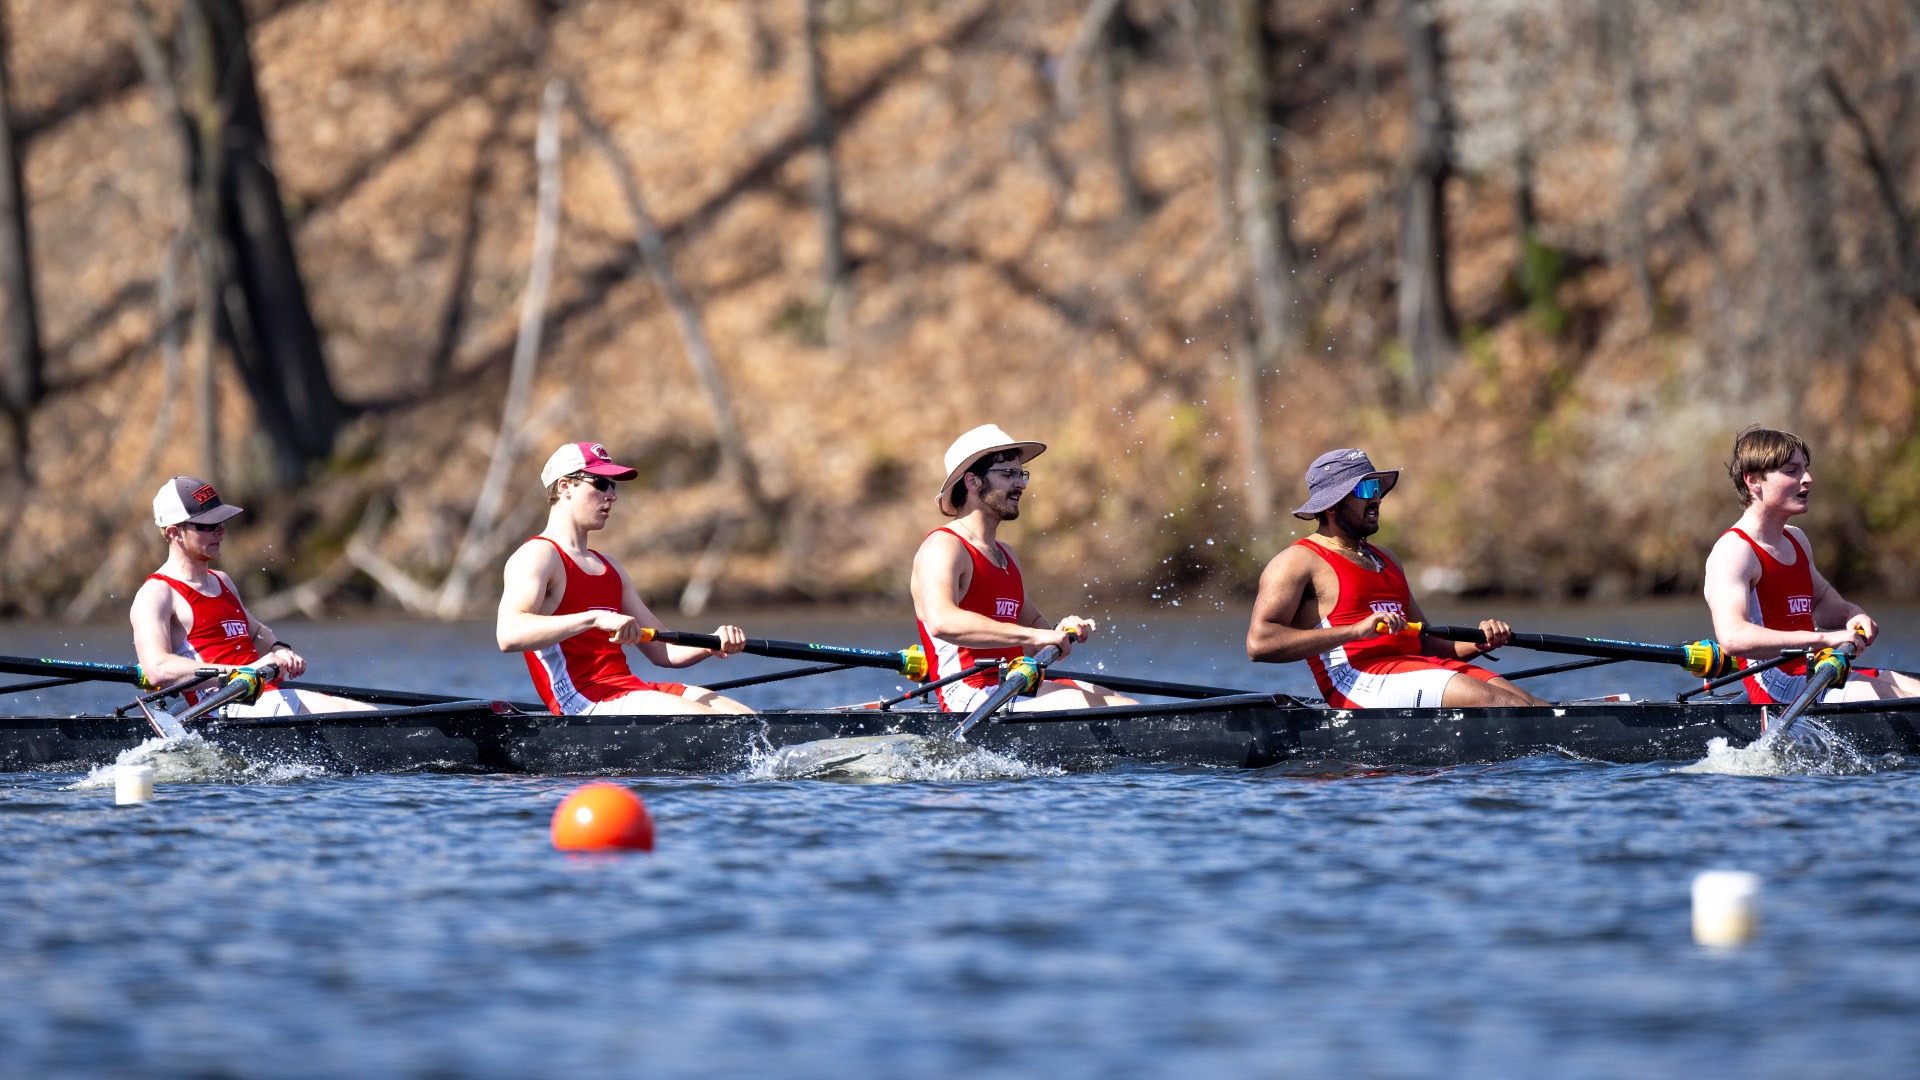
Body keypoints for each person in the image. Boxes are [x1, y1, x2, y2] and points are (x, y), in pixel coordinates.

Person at [1246, 449, 1546, 708]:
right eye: (1364, 491)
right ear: (1333, 505)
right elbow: (1259, 644)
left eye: (1376, 488)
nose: (1375, 498)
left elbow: (1426, 643)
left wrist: (1482, 642)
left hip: (1415, 667)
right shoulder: (1296, 562)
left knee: (1533, 706)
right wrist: (1355, 632)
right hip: (1356, 678)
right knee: (1500, 703)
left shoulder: (1387, 559)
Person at [496, 441, 753, 715]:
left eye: (613, 485)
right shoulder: (538, 555)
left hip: (627, 689)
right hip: (582, 701)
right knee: (713, 724)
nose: (611, 495)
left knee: (746, 720)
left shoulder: (610, 567)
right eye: (599, 483)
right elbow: (509, 635)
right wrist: (594, 618)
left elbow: (663, 652)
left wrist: (711, 643)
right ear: (564, 487)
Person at [911, 424, 1134, 712]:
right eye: (1008, 474)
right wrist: (1036, 636)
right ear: (972, 481)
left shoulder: (1006, 555)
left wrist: (1061, 632)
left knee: (1119, 703)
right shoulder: (944, 547)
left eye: (1021, 474)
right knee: (1107, 711)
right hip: (968, 695)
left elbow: (1037, 637)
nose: (1021, 484)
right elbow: (943, 622)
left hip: (1013, 684)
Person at [1703, 427, 1919, 703]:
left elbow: (1821, 603)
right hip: (1778, 686)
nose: (1808, 479)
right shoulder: (1734, 551)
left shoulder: (1797, 539)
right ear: (1754, 480)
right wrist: (1823, 641)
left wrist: (1851, 614)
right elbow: (1733, 638)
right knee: (1900, 702)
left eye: (1805, 469)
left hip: (1815, 671)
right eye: (1791, 471)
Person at [129, 477, 376, 716]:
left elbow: (256, 632)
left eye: (221, 521)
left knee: (365, 712)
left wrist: (279, 649)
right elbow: (157, 671)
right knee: (362, 715)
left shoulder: (221, 581)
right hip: (221, 706)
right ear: (174, 532)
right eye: (208, 525)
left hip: (262, 696)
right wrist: (243, 671)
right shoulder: (157, 594)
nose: (222, 530)